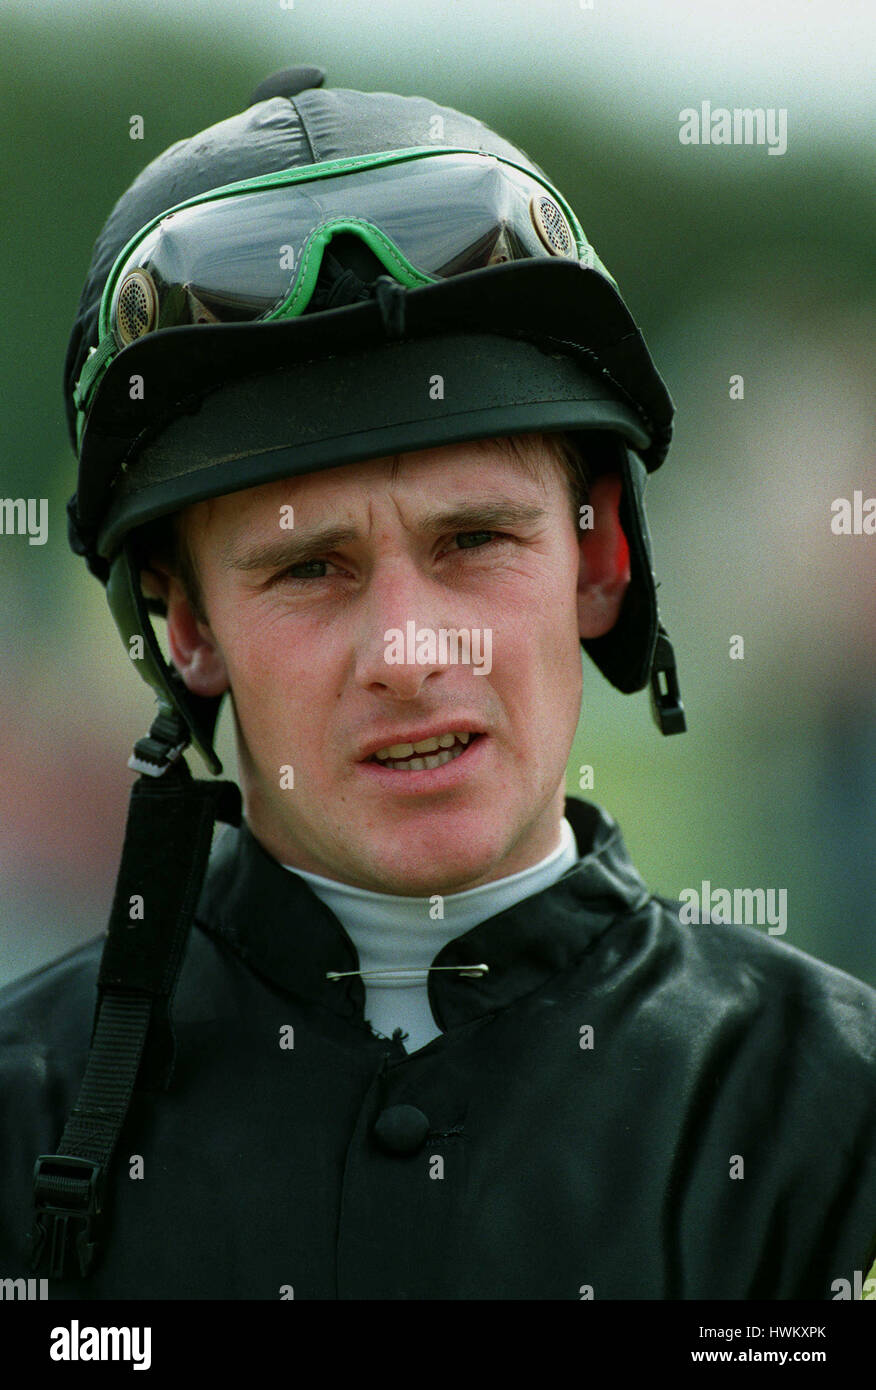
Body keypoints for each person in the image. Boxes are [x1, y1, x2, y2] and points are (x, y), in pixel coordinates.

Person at [0, 65, 873, 1301]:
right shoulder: (21, 1111)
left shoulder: (836, 1116)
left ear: (602, 557)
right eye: (312, 567)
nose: (412, 654)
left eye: (474, 541)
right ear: (185, 623)